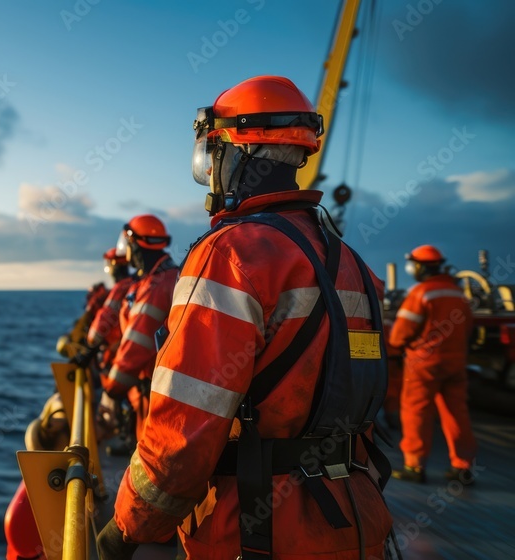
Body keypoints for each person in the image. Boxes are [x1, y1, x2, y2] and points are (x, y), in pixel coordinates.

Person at [97, 76, 392, 560]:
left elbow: (183, 433)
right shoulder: (353, 264)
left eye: (212, 155)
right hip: (359, 520)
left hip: (259, 530)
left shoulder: (230, 255)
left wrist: (126, 529)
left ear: (233, 154)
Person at [389, 245, 476, 484]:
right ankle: (462, 467)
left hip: (424, 364)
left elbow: (400, 334)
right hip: (455, 363)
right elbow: (468, 327)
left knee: (416, 412)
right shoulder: (458, 294)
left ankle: (414, 466)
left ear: (420, 267)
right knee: (456, 413)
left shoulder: (421, 293)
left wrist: (396, 347)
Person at [98, 215, 177, 443]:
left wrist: (112, 390)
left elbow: (137, 343)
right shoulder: (163, 277)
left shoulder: (156, 286)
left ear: (134, 244)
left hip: (154, 389)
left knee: (148, 448)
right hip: (155, 385)